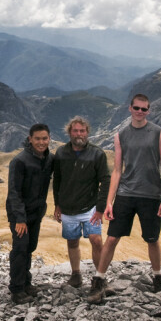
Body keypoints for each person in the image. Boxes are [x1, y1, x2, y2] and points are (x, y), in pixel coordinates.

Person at [89, 93, 161, 303]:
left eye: (144, 109)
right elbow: (117, 170)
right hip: (125, 193)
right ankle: (98, 279)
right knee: (113, 237)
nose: (140, 112)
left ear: (149, 111)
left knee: (152, 239)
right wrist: (109, 201)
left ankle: (158, 277)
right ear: (130, 108)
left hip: (151, 195)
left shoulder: (159, 133)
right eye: (137, 108)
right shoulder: (121, 134)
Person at [52, 116, 111, 291]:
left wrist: (100, 208)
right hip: (68, 207)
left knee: (96, 240)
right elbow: (57, 180)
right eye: (75, 131)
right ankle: (76, 275)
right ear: (69, 132)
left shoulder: (97, 154)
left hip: (90, 207)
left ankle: (100, 277)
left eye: (82, 131)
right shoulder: (61, 153)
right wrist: (57, 204)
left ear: (87, 132)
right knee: (72, 241)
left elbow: (105, 180)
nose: (79, 134)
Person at [6, 123, 54, 304]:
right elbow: (14, 192)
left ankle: (26, 282)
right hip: (20, 214)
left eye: (44, 138)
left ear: (49, 139)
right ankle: (16, 289)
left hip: (36, 212)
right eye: (37, 139)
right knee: (20, 248)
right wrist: (19, 218)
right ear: (30, 139)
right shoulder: (19, 161)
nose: (41, 142)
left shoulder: (49, 159)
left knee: (30, 247)